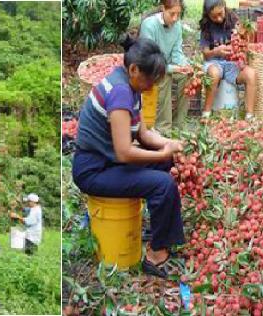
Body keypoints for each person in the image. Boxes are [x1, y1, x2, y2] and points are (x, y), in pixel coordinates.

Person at [72, 35, 186, 279]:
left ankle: (155, 223)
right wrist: (163, 153)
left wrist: (170, 145)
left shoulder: (129, 83)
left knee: (165, 161)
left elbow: (143, 134)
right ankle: (155, 253)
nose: (152, 86)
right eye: (150, 79)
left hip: (107, 159)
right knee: (164, 185)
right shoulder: (122, 92)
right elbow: (124, 152)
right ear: (134, 69)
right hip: (94, 170)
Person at [139, 0, 193, 134]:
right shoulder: (149, 25)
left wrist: (185, 65)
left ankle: (179, 124)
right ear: (163, 8)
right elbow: (149, 58)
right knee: (164, 78)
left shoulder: (177, 26)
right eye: (172, 14)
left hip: (167, 65)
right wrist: (170, 69)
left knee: (187, 77)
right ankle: (164, 128)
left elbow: (176, 53)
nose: (175, 18)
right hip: (150, 66)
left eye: (178, 14)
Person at [199, 0, 258, 119]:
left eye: (221, 13)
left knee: (251, 74)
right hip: (214, 63)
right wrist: (216, 51)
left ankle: (249, 116)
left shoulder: (234, 20)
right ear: (208, 15)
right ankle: (206, 114)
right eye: (214, 17)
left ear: (224, 7)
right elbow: (205, 53)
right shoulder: (207, 26)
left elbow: (247, 41)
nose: (219, 18)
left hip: (232, 64)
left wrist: (243, 35)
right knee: (214, 73)